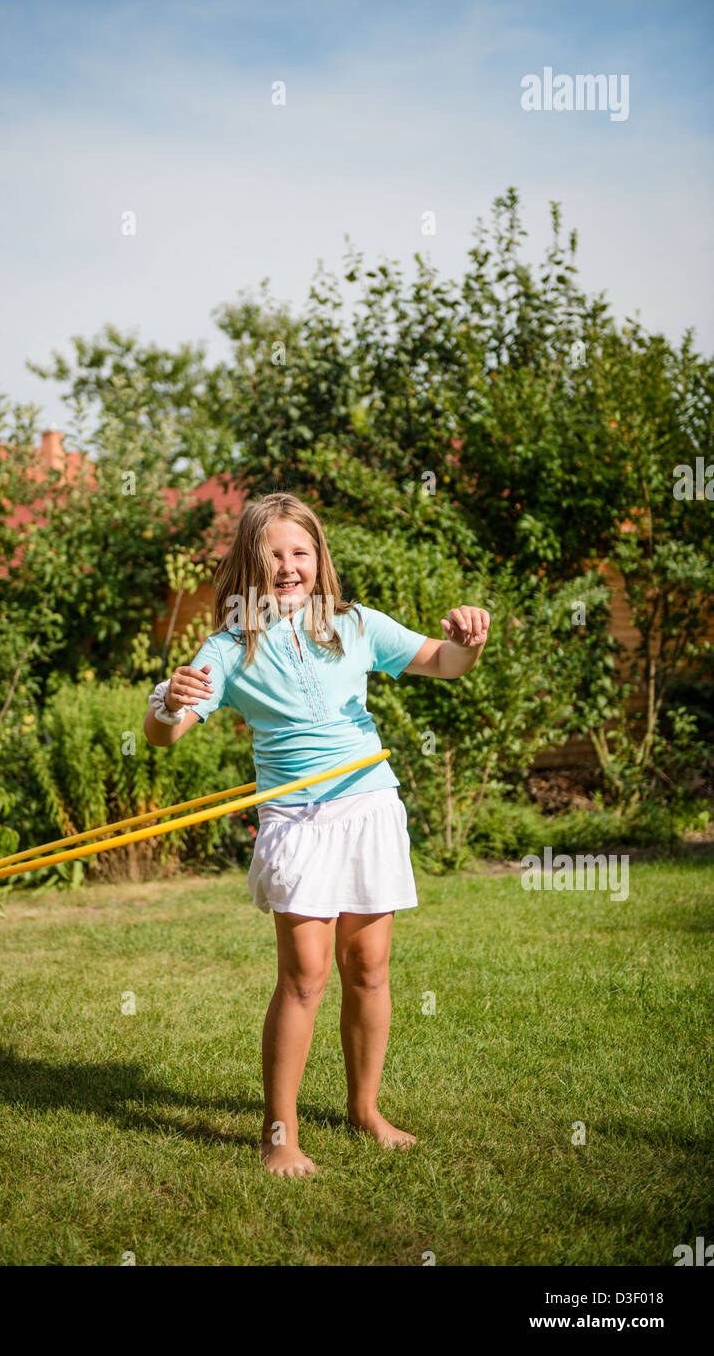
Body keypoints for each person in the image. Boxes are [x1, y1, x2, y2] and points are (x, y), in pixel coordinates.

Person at [143, 492, 490, 1178]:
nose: (287, 566)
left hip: (366, 806)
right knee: (303, 976)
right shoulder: (227, 647)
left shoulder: (354, 624)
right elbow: (164, 735)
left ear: (317, 558)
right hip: (296, 818)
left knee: (368, 969)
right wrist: (165, 701)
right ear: (248, 563)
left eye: (299, 552)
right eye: (272, 554)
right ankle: (279, 1135)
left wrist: (467, 642)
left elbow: (443, 663)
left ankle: (365, 1110)